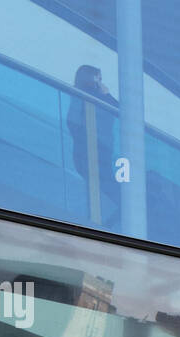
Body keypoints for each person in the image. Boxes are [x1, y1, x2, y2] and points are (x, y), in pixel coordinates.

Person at [67, 65, 122, 228]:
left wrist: (107, 95)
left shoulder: (98, 99)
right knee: (112, 191)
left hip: (100, 152)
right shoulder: (82, 97)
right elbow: (73, 123)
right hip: (91, 152)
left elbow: (121, 113)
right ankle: (105, 223)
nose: (101, 81)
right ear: (90, 78)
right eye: (98, 77)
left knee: (109, 189)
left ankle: (107, 221)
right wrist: (106, 94)